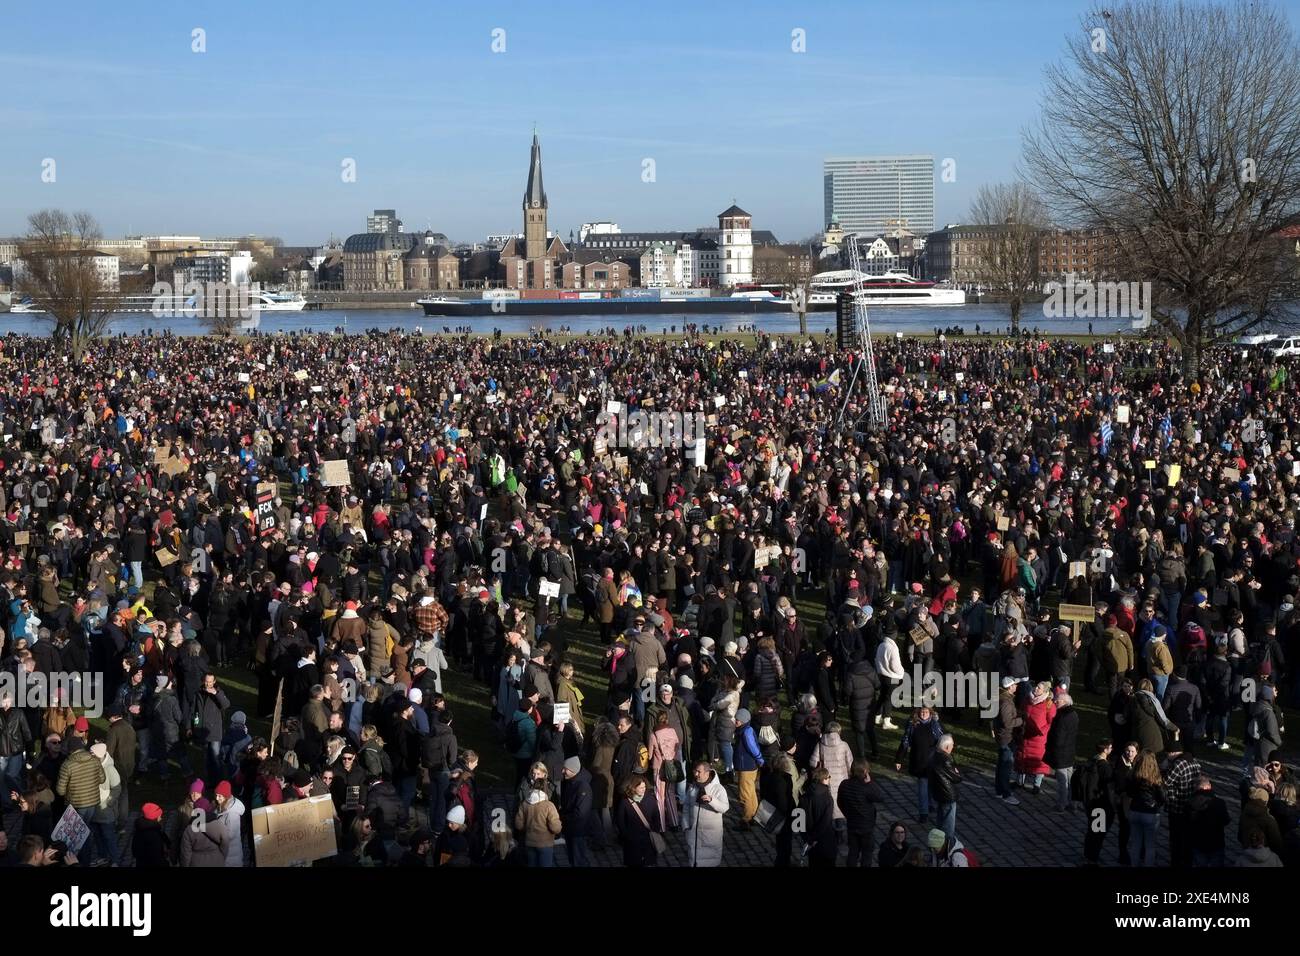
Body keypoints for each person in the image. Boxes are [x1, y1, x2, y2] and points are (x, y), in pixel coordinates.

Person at [895, 706, 944, 823]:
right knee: (923, 786)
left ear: (930, 713)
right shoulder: (912, 725)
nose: (924, 714)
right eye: (922, 712)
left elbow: (942, 741)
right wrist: (899, 759)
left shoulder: (935, 725)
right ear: (918, 712)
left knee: (931, 785)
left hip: (932, 762)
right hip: (919, 761)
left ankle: (929, 804)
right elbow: (905, 742)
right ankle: (923, 813)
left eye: (926, 712)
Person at [837, 758, 885, 867]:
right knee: (867, 855)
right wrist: (870, 783)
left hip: (852, 824)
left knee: (853, 853)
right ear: (864, 772)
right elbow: (880, 797)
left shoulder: (844, 784)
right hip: (866, 827)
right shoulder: (866, 787)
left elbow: (840, 802)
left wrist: (848, 815)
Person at [682, 759, 729, 867]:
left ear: (707, 773)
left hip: (710, 837)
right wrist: (685, 825)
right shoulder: (693, 787)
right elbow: (687, 806)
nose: (695, 774)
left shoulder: (718, 789)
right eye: (695, 771)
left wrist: (712, 801)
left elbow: (725, 808)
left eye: (699, 771)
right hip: (693, 834)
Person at [1125, 750, 1165, 867]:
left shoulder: (1133, 776)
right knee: (1150, 846)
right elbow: (1162, 797)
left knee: (1135, 844)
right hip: (1150, 813)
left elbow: (1129, 792)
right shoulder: (1155, 779)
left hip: (1135, 811)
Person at [1016, 681, 1056, 793]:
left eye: (1039, 688)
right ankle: (1020, 782)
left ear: (1045, 691)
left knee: (1038, 762)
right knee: (1022, 757)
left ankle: (1036, 785)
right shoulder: (1027, 700)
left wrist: (1041, 731)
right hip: (1025, 734)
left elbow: (1051, 722)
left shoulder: (1049, 705)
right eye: (1036, 686)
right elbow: (1021, 713)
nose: (1036, 688)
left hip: (1039, 738)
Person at [1079, 739, 1115, 865]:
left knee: (1092, 830)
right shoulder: (1104, 766)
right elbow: (1109, 787)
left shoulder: (1091, 761)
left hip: (1090, 802)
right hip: (1101, 804)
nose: (1111, 750)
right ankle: (1092, 857)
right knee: (1098, 833)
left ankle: (1088, 854)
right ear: (1105, 750)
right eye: (1110, 748)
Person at [1183, 774, 1229, 867]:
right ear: (1209, 786)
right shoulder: (1219, 802)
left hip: (1198, 843)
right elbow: (1225, 821)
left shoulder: (1190, 803)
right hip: (1216, 842)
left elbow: (1187, 823)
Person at [613, 776, 660, 868]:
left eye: (644, 787)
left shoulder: (650, 799)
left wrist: (655, 831)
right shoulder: (625, 802)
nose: (644, 789)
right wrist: (626, 835)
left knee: (648, 862)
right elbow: (620, 821)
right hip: (632, 841)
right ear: (633, 788)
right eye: (641, 788)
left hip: (648, 839)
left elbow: (656, 816)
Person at [514, 779, 562, 867]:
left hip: (530, 843)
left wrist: (528, 827)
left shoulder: (525, 803)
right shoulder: (549, 805)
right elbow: (555, 827)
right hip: (545, 844)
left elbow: (518, 825)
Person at [1045, 689, 1079, 811]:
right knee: (1069, 780)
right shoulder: (1074, 714)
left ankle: (1061, 804)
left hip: (1060, 753)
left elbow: (1058, 736)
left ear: (1064, 701)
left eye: (1057, 701)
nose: (1055, 702)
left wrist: (1052, 748)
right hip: (1070, 752)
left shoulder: (1062, 716)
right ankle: (1072, 803)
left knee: (1061, 781)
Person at [798, 766, 837, 868]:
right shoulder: (828, 799)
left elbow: (798, 821)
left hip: (811, 841)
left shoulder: (803, 797)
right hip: (825, 840)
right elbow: (825, 822)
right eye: (829, 777)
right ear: (824, 779)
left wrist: (807, 838)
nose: (829, 779)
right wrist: (814, 839)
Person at [559, 756, 593, 867]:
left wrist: (562, 818)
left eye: (565, 769)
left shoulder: (583, 787)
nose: (563, 771)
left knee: (578, 859)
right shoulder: (570, 781)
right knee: (573, 858)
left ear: (573, 770)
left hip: (577, 830)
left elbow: (580, 813)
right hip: (571, 827)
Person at [928, 734, 961, 845]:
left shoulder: (933, 755)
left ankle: (938, 844)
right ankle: (947, 846)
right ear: (947, 747)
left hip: (938, 793)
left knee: (940, 821)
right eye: (952, 745)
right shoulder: (945, 759)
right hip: (947, 795)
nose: (952, 747)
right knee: (948, 825)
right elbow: (956, 778)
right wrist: (957, 773)